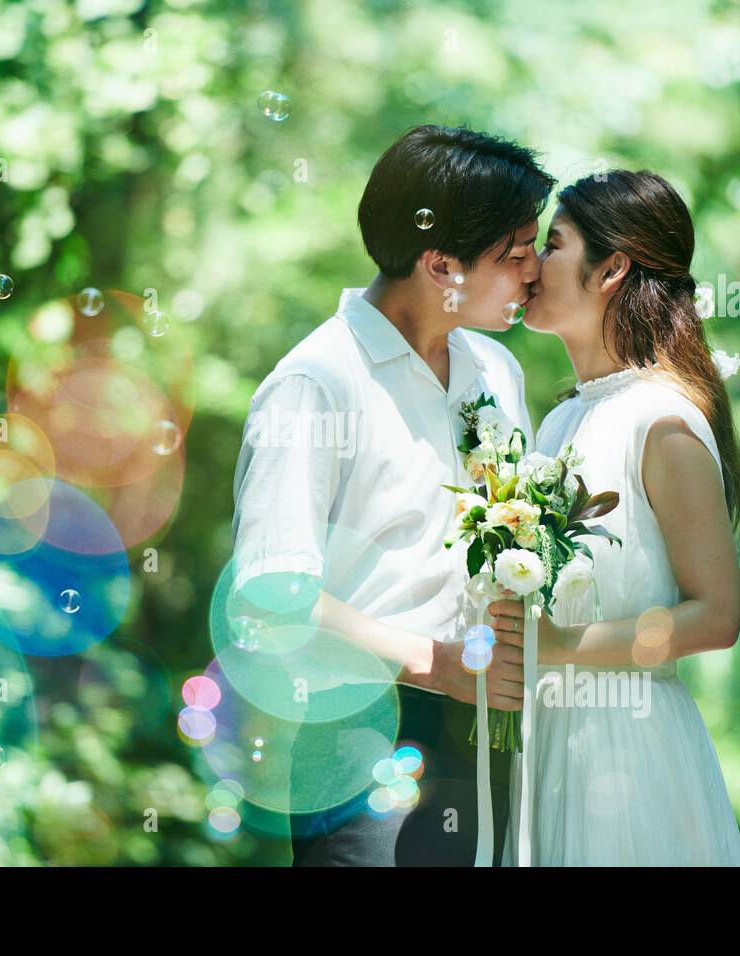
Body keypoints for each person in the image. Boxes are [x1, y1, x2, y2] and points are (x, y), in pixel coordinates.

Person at [229, 124, 555, 865]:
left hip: (491, 737)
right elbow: (270, 595)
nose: (534, 273)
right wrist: (436, 664)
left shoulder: (497, 372)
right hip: (359, 742)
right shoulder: (317, 383)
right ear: (440, 263)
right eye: (513, 255)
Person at [490, 169, 740, 865]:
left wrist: (560, 646)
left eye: (554, 243)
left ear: (612, 269)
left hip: (629, 758)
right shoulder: (560, 420)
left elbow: (718, 615)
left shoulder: (659, 419)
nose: (531, 264)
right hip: (551, 746)